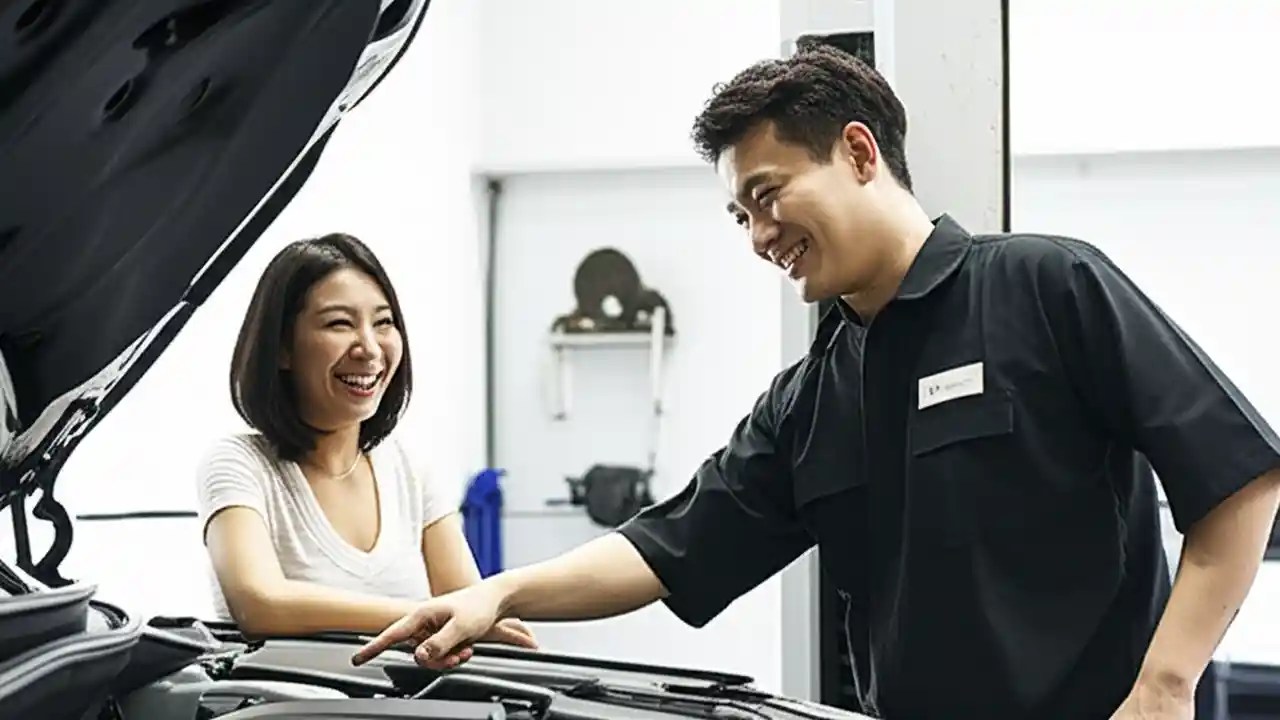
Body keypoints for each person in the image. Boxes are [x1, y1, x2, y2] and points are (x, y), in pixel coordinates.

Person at [350, 45, 1280, 719]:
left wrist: (1165, 687)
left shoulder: (1045, 285)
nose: (758, 235)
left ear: (860, 152)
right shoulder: (811, 396)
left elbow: (1240, 477)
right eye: (738, 214)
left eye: (767, 194)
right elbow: (669, 544)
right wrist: (497, 595)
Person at [195, 232, 536, 652]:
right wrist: (426, 618)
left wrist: (471, 621)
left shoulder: (409, 469)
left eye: (384, 322)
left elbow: (471, 610)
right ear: (282, 348)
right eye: (339, 324)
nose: (370, 348)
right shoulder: (239, 463)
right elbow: (260, 604)